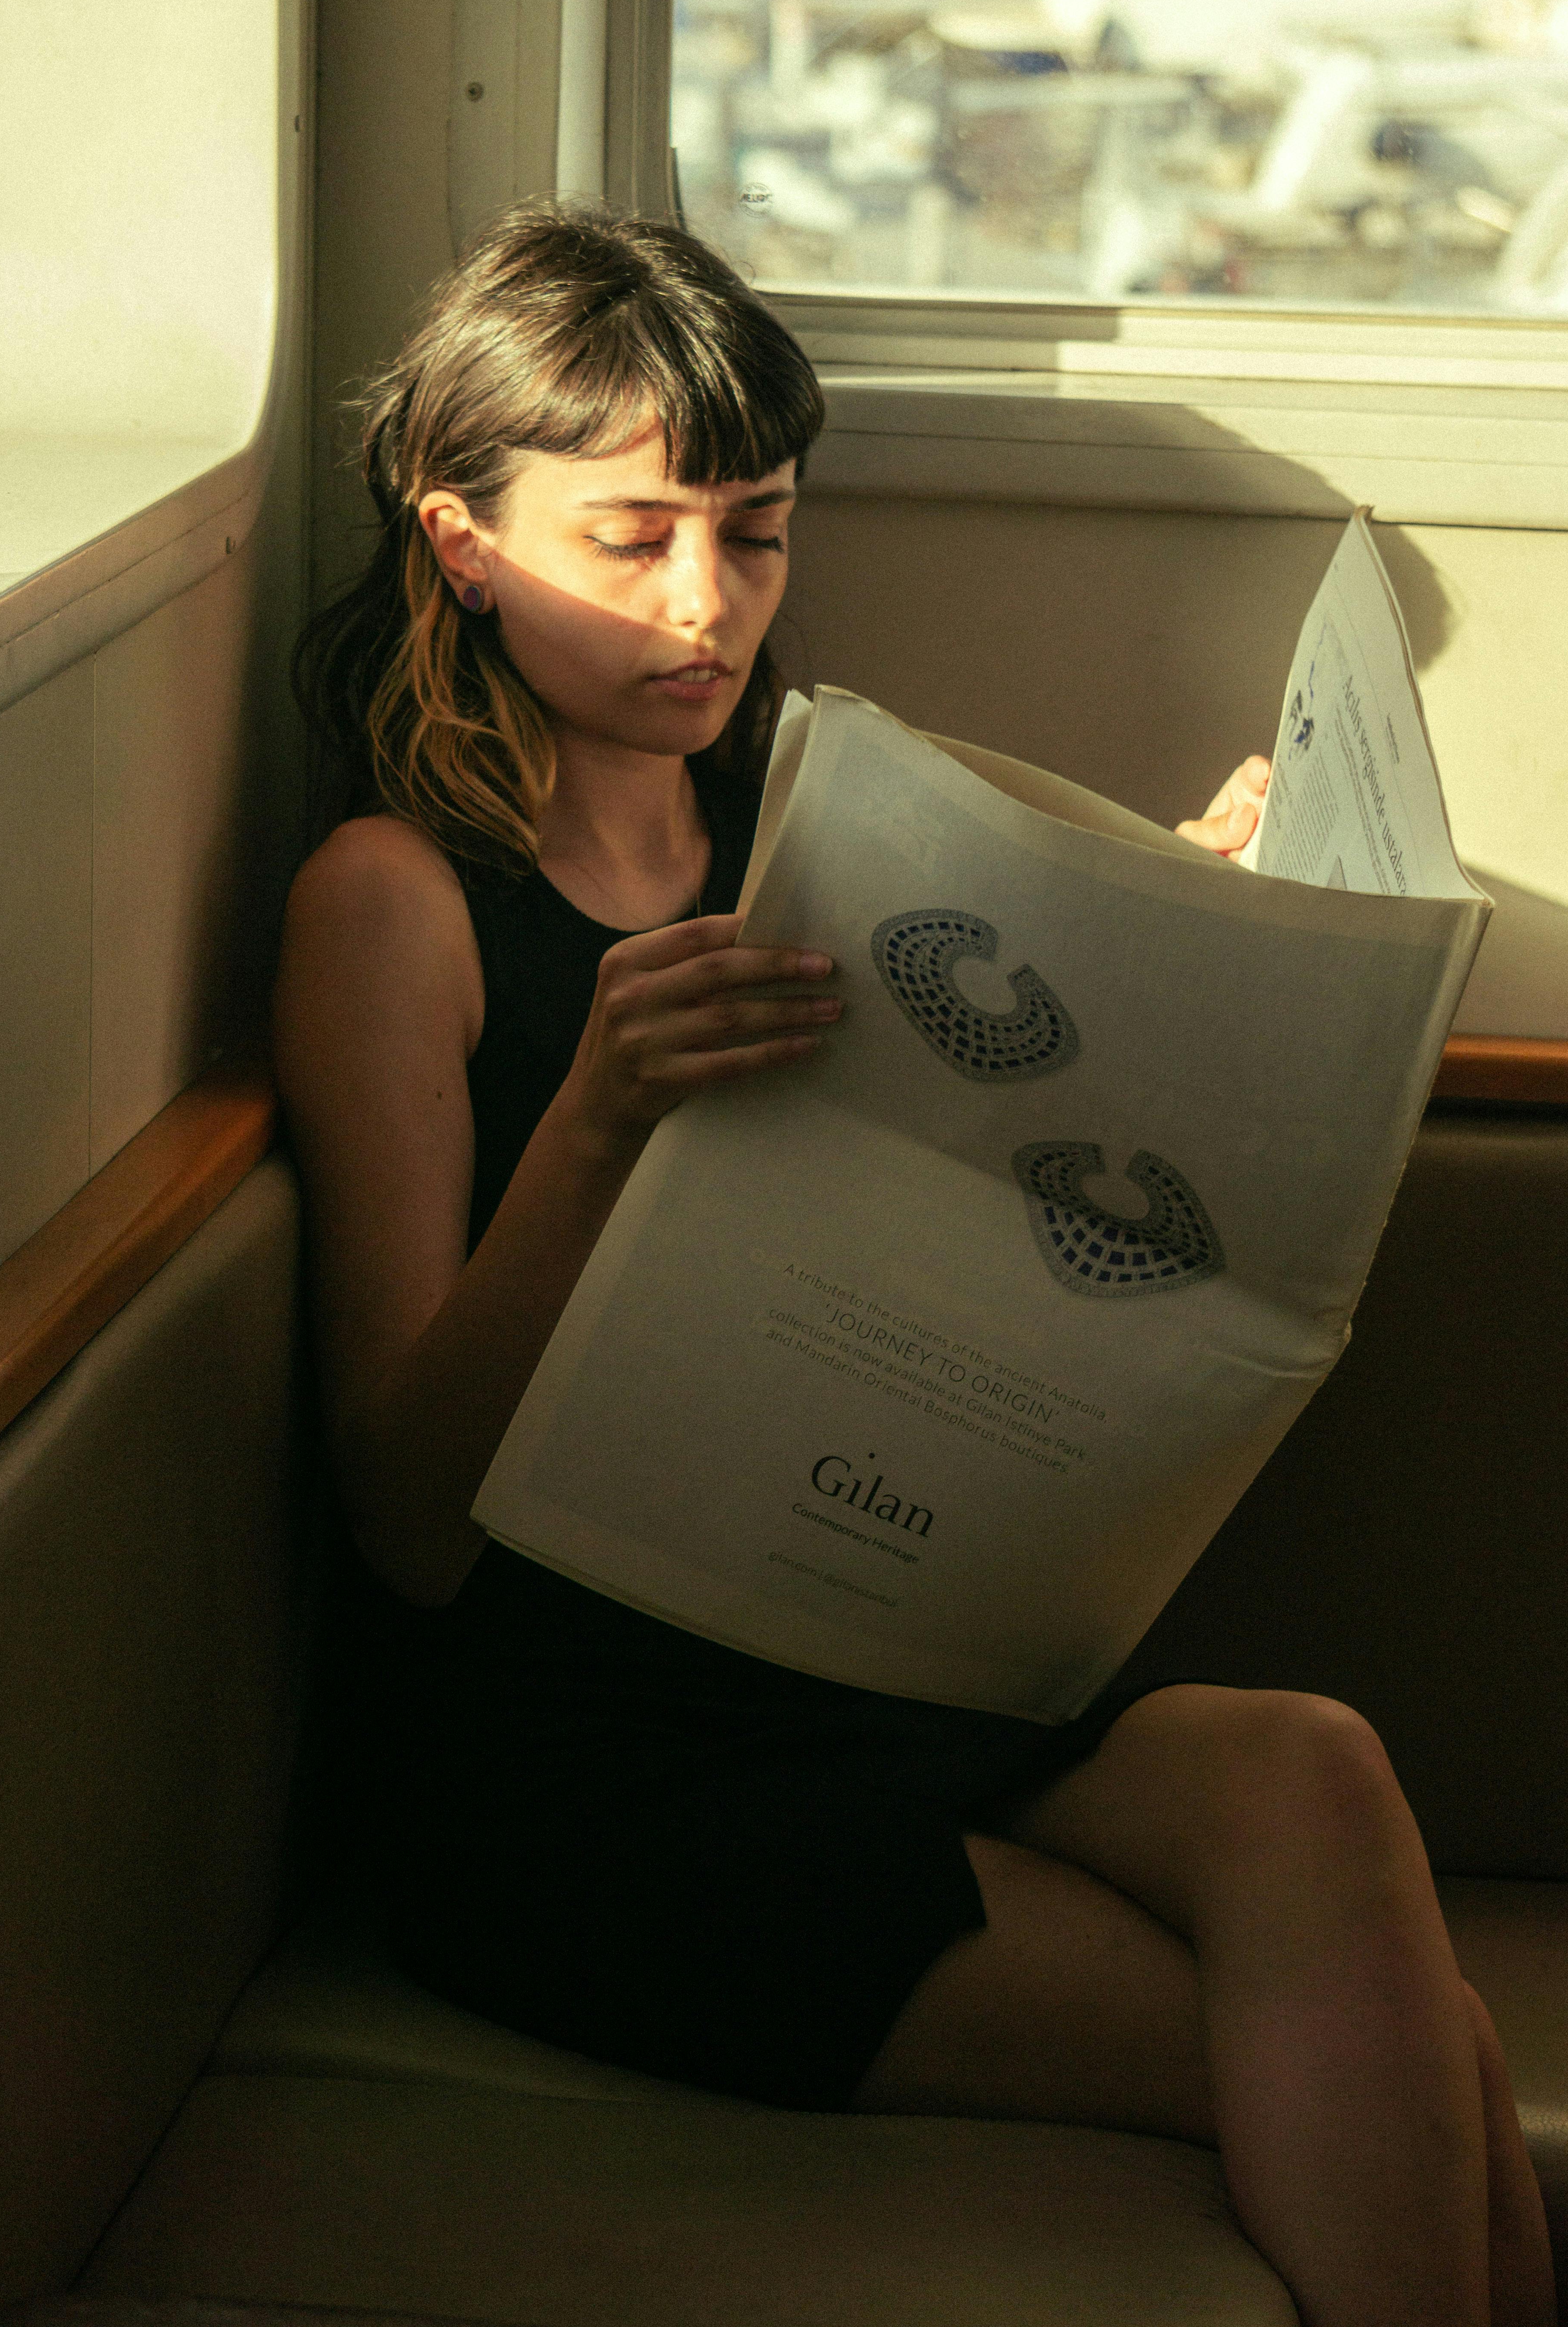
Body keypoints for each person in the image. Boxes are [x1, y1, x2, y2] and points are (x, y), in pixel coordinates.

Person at [274, 202, 1554, 2327]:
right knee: (1423, 2054)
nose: (707, 606)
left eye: (757, 533)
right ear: (462, 542)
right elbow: (406, 1520)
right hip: (589, 1767)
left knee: (1307, 1763)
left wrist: (1227, 896)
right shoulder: (393, 901)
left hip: (885, 1655)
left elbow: (1102, 933)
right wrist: (595, 1118)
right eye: (632, 537)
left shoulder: (827, 799)